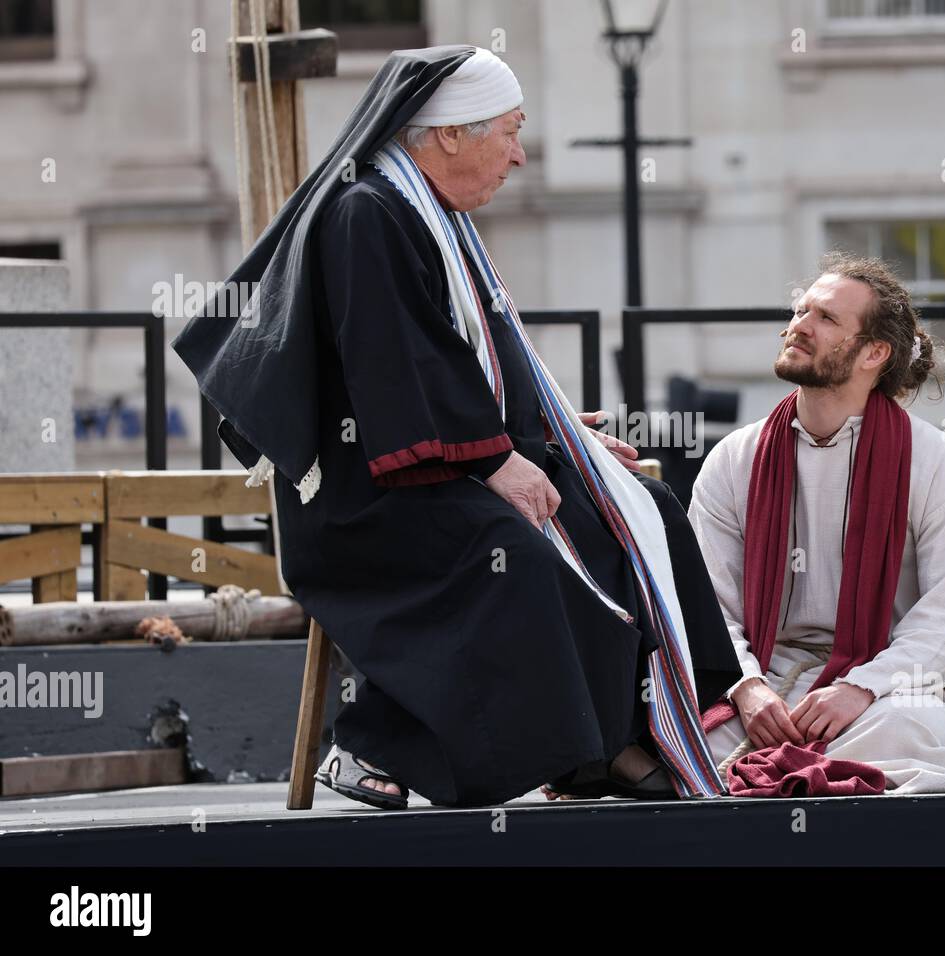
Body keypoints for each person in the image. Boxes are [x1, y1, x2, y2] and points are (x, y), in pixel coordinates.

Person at [172, 46, 740, 809]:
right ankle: (372, 743)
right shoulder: (365, 213)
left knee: (643, 512)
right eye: (508, 132)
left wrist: (556, 438)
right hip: (372, 492)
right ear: (446, 135)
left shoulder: (428, 212)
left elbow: (473, 363)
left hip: (441, 465)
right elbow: (397, 366)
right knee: (517, 556)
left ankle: (612, 741)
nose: (519, 153)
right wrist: (500, 460)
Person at [688, 253, 945, 795]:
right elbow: (707, 605)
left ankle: (779, 770)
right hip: (766, 681)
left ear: (874, 353)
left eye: (826, 319)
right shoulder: (735, 458)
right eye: (801, 311)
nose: (799, 327)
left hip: (887, 690)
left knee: (909, 731)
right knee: (660, 726)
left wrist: (860, 687)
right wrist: (747, 687)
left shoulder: (935, 462)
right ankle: (798, 766)